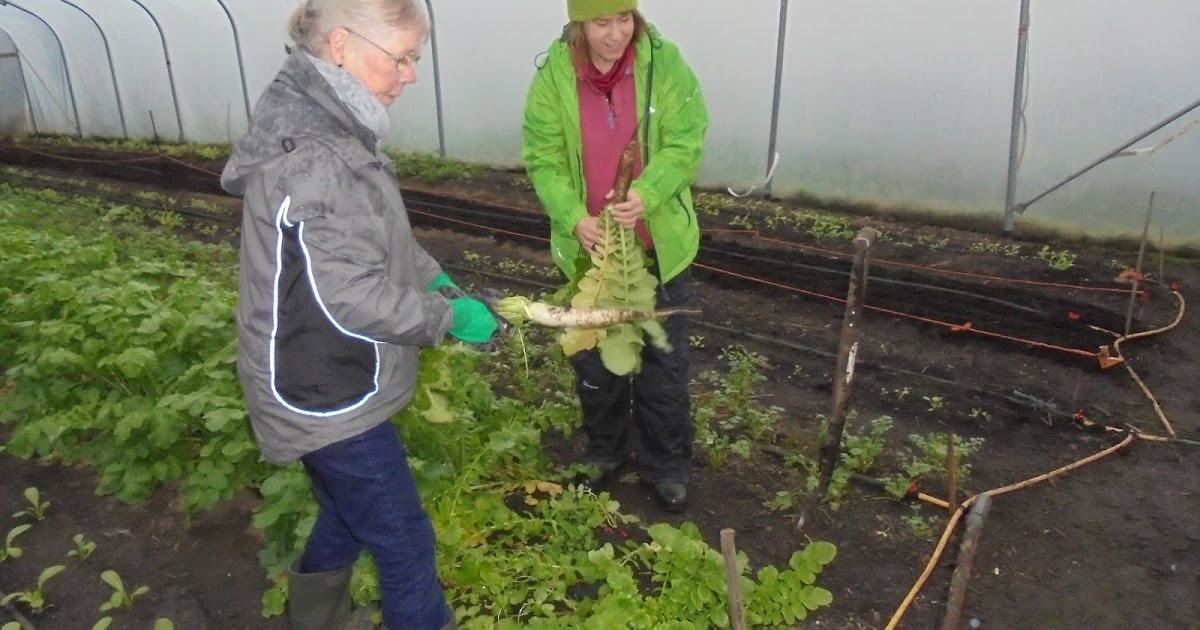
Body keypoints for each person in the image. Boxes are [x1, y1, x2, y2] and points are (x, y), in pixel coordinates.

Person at [220, 1, 496, 628]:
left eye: (414, 59)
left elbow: (379, 242)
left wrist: (440, 283)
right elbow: (351, 296)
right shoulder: (317, 154)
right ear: (341, 45)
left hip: (324, 369)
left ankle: (311, 620)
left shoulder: (335, 127)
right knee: (404, 542)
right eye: (400, 57)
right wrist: (448, 320)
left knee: (346, 516)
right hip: (326, 388)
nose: (411, 75)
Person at [521, 0, 708, 512]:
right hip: (591, 255)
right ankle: (605, 453)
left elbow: (685, 141)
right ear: (579, 24)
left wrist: (646, 195)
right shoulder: (554, 77)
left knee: (662, 363)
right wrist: (573, 218)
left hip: (657, 247)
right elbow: (543, 158)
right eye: (601, 22)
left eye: (623, 20)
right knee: (595, 363)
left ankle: (665, 465)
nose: (614, 34)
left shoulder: (663, 63)